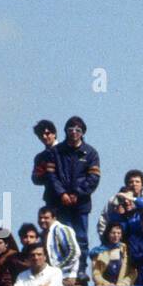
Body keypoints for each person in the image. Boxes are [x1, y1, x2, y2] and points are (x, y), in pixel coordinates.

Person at [43, 116, 101, 277]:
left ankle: (81, 270)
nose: (74, 133)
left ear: (82, 133)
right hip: (61, 203)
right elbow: (51, 175)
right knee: (63, 237)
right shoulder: (55, 152)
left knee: (81, 237)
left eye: (78, 130)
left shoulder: (91, 153)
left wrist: (77, 194)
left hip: (81, 204)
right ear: (65, 132)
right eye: (70, 130)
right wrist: (62, 193)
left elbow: (94, 178)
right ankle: (65, 271)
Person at [37, 207, 80, 286]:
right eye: (40, 218)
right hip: (49, 277)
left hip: (65, 277)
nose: (42, 220)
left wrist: (57, 269)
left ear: (54, 218)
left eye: (46, 218)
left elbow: (74, 252)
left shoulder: (61, 229)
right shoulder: (42, 234)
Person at [90, 221, 137, 286]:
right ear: (108, 234)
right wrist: (107, 284)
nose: (116, 235)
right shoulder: (98, 252)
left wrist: (124, 283)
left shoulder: (127, 250)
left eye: (119, 233)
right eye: (113, 233)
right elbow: (96, 273)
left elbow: (133, 272)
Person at [30, 119, 57, 189]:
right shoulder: (40, 157)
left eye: (47, 133)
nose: (44, 136)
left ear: (54, 134)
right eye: (41, 135)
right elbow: (36, 178)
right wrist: (49, 174)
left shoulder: (67, 150)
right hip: (52, 196)